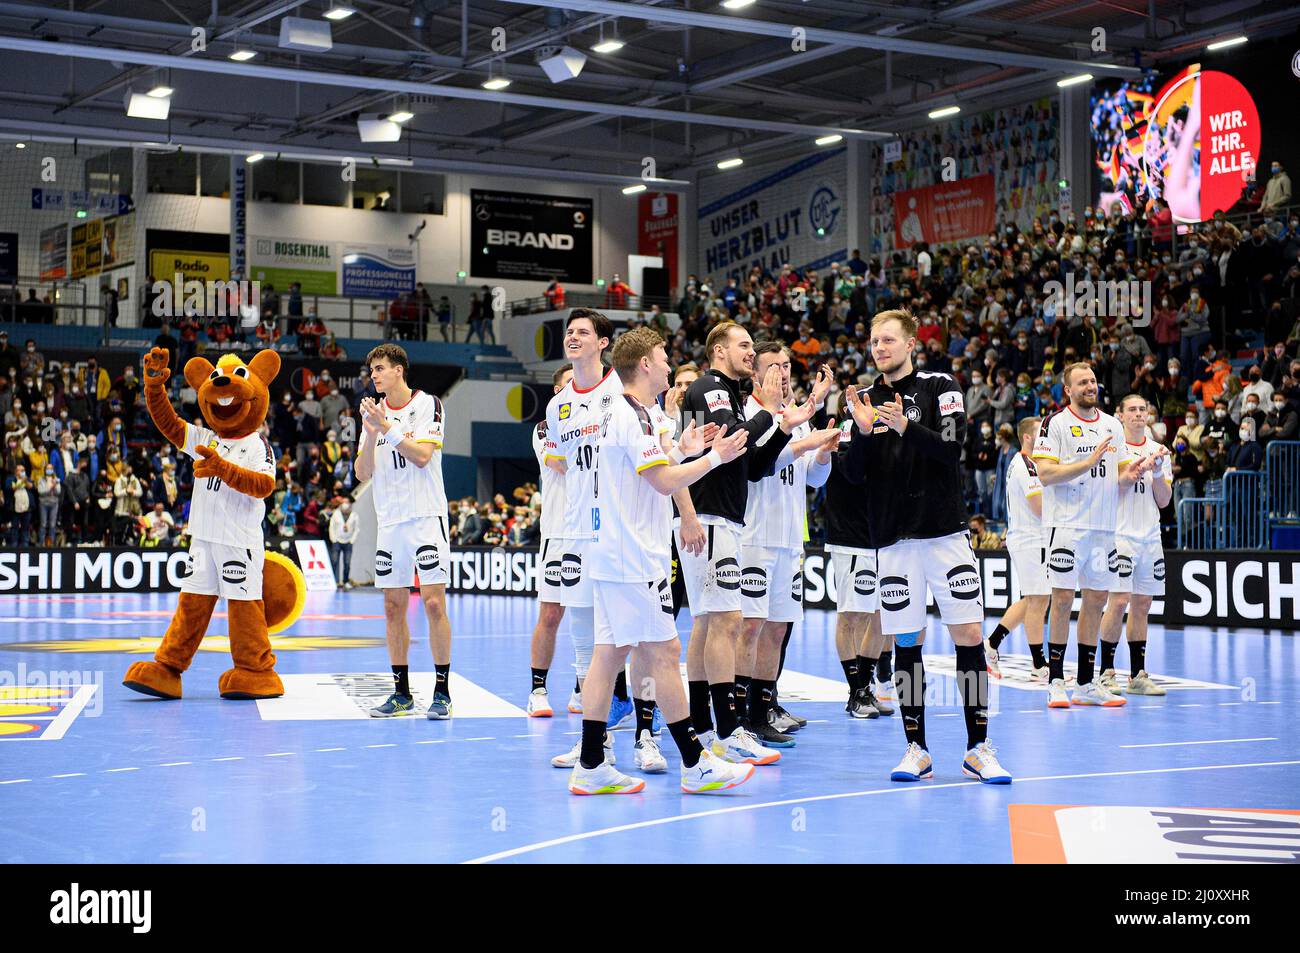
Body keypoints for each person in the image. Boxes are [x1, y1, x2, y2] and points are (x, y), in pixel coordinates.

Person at [565, 326, 755, 796]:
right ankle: (695, 763)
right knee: (665, 653)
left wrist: (684, 448)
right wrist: (714, 457)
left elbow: (651, 465)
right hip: (632, 557)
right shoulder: (630, 415)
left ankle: (591, 765)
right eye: (664, 356)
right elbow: (664, 482)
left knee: (609, 655)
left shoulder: (634, 412)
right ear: (645, 364)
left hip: (615, 553)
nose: (670, 363)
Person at [839, 308, 1010, 785]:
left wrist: (904, 427)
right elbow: (851, 475)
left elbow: (952, 447)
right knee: (907, 643)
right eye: (874, 340)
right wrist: (863, 433)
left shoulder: (941, 386)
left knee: (969, 637)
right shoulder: (863, 400)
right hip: (893, 541)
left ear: (911, 343)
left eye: (888, 339)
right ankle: (916, 748)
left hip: (943, 533)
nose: (879, 347)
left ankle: (978, 748)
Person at [676, 320, 817, 767]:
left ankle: (704, 725)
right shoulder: (710, 388)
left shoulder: (728, 394)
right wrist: (770, 412)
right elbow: (735, 441)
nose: (750, 352)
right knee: (727, 620)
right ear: (719, 350)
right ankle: (728, 729)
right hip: (712, 515)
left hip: (722, 516)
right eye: (743, 345)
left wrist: (784, 427)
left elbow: (753, 465)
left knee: (708, 622)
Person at [1032, 362, 1155, 709]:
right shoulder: (1054, 423)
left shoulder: (1112, 425)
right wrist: (1086, 464)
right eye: (1082, 382)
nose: (1090, 386)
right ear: (1068, 390)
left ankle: (1086, 684)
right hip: (1066, 526)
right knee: (1062, 600)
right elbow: (1045, 474)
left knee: (1097, 600)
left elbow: (1119, 478)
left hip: (1103, 529)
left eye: (1093, 381)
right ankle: (1056, 681)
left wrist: (1138, 470)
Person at [736, 345, 837, 746]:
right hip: (753, 537)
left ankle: (762, 712)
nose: (782, 373)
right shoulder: (748, 415)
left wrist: (822, 453)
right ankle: (737, 715)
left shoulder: (795, 416)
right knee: (750, 627)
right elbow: (761, 466)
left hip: (789, 539)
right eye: (773, 367)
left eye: (786, 366)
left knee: (777, 629)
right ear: (755, 375)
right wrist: (806, 443)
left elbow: (812, 478)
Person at [354, 343, 453, 719]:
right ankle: (401, 693)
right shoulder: (374, 415)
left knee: (433, 603)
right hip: (390, 521)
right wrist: (370, 434)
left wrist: (387, 428)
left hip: (426, 516)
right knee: (393, 606)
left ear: (398, 370)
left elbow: (423, 456)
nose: (374, 375)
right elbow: (362, 472)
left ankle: (442, 692)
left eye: (380, 368)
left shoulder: (428, 404)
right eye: (372, 370)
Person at [1098, 394, 1173, 698]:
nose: (1139, 414)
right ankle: (1105, 673)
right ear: (1120, 415)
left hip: (1150, 536)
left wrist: (1157, 472)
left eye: (1143, 409)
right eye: (1132, 409)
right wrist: (1138, 470)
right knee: (1118, 602)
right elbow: (1112, 488)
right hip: (1120, 535)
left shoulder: (1158, 450)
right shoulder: (1112, 449)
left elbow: (1164, 501)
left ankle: (1138, 675)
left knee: (1143, 605)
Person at [525, 362, 574, 718]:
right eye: (569, 382)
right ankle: (538, 690)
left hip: (594, 533)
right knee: (551, 613)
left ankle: (584, 688)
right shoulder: (545, 427)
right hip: (558, 533)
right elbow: (561, 463)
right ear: (557, 391)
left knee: (594, 617)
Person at [984, 416, 1050, 681]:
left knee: (1034, 599)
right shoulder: (1026, 465)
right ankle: (1038, 665)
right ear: (1027, 437)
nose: (1046, 438)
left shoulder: (1023, 462)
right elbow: (1039, 508)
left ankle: (992, 643)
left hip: (1029, 538)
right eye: (1040, 433)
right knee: (1038, 601)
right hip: (1031, 539)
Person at [328, 499, 358, 589]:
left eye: (347, 502)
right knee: (334, 561)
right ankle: (332, 581)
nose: (345, 504)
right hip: (337, 541)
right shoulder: (336, 514)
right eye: (344, 502)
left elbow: (356, 529)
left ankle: (345, 581)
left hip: (348, 542)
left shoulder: (354, 515)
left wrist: (352, 540)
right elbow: (331, 527)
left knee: (347, 563)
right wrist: (333, 539)